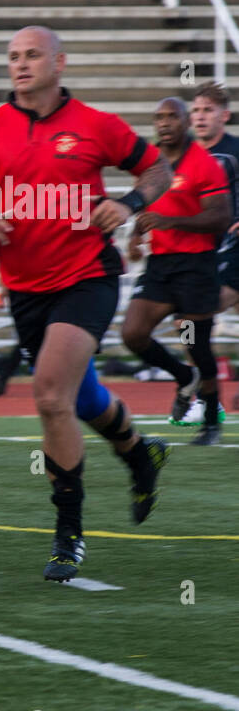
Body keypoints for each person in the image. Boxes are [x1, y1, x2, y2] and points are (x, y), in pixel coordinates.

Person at [0, 25, 173, 583]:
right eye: (12, 56)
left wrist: (129, 202)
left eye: (32, 55)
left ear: (59, 62)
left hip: (88, 277)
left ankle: (69, 534)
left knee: (48, 395)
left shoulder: (97, 125)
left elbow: (158, 169)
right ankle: (139, 453)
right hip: (25, 289)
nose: (20, 64)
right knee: (78, 396)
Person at [121, 97, 230, 444]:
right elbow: (145, 204)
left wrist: (170, 221)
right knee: (132, 334)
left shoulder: (204, 163)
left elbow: (220, 217)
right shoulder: (150, 163)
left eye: (172, 117)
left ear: (185, 122)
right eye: (159, 118)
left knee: (198, 346)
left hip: (196, 266)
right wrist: (136, 235)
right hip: (161, 265)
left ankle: (211, 420)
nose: (164, 123)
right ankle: (184, 377)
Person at [189, 82, 239, 410]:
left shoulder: (235, 151)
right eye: (195, 110)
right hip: (200, 249)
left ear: (225, 115)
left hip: (234, 246)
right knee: (189, 320)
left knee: (196, 312)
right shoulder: (184, 154)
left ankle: (204, 400)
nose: (200, 117)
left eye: (208, 110)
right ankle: (204, 396)